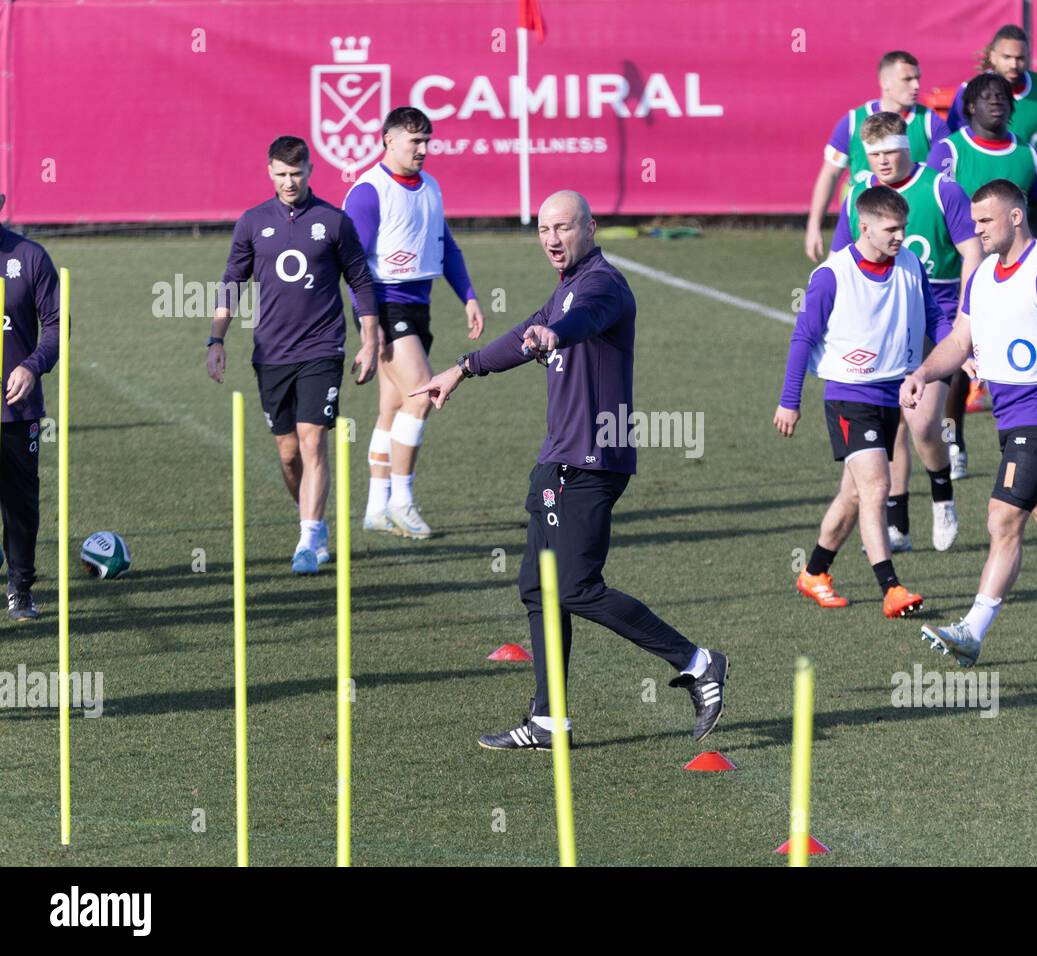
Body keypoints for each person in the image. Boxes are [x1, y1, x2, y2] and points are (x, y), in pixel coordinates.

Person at [410, 190, 728, 749]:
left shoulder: (602, 284)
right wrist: (462, 368)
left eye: (563, 228)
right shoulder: (564, 291)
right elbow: (522, 334)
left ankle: (698, 662)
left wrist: (559, 333)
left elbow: (585, 320)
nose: (552, 240)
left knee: (576, 587)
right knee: (537, 586)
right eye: (543, 230)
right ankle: (548, 720)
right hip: (558, 460)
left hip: (591, 461)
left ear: (591, 227)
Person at [900, 180, 1037, 665]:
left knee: (1003, 518)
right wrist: (922, 372)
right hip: (1013, 419)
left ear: (1016, 218)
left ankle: (971, 630)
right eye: (974, 221)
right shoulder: (980, 277)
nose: (975, 229)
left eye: (986, 221)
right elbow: (960, 340)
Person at [208, 136, 379, 574]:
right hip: (271, 353)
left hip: (322, 348)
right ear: (269, 171)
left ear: (310, 171)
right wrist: (216, 340)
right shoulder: (252, 223)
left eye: (296, 173)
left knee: (312, 438)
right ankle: (313, 523)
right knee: (288, 454)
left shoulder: (333, 222)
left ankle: (307, 538)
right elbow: (231, 282)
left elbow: (360, 282)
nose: (289, 181)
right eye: (282, 174)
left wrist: (370, 340)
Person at [776, 185, 949, 616]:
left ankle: (815, 572)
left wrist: (959, 352)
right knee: (877, 485)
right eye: (891, 229)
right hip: (849, 395)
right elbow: (803, 339)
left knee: (853, 495)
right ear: (864, 227)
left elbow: (935, 315)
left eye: (903, 228)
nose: (900, 237)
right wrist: (789, 400)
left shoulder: (909, 264)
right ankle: (890, 587)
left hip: (893, 396)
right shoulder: (832, 276)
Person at [832, 112, 981, 551]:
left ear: (907, 147)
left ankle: (942, 495)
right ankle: (898, 526)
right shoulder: (858, 193)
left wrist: (963, 324)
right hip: (883, 323)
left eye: (890, 152)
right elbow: (841, 262)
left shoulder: (941, 188)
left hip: (936, 317)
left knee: (921, 424)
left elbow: (972, 254)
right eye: (873, 154)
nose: (881, 161)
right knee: (889, 424)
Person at [344, 107, 484, 539]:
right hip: (384, 307)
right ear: (388, 140)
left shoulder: (431, 187)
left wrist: (469, 297)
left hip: (417, 307)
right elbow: (350, 264)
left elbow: (448, 248)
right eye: (414, 141)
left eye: (427, 140)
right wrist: (370, 326)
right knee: (423, 394)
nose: (423, 149)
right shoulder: (369, 191)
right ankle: (402, 502)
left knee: (393, 406)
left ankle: (374, 508)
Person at [929, 71, 1037, 477]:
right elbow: (935, 204)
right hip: (962, 268)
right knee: (963, 353)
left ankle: (1023, 440)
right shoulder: (950, 150)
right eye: (985, 97)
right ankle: (953, 441)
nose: (995, 102)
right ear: (969, 106)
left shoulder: (1028, 155)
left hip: (1014, 270)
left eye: (1001, 96)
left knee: (1007, 352)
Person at [804, 50, 946, 263]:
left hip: (910, 226)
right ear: (885, 82)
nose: (916, 85)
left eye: (918, 78)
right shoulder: (853, 122)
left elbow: (945, 182)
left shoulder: (930, 123)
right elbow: (830, 174)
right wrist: (814, 226)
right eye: (907, 79)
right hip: (864, 226)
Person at [0, 192, 60, 619]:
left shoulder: (30, 256)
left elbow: (57, 322)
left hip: (17, 410)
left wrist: (32, 366)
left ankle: (21, 587)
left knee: (21, 505)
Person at [944, 24, 1037, 155]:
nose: (1014, 65)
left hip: (1033, 173)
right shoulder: (970, 90)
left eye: (1020, 58)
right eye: (1007, 57)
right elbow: (952, 142)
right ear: (993, 57)